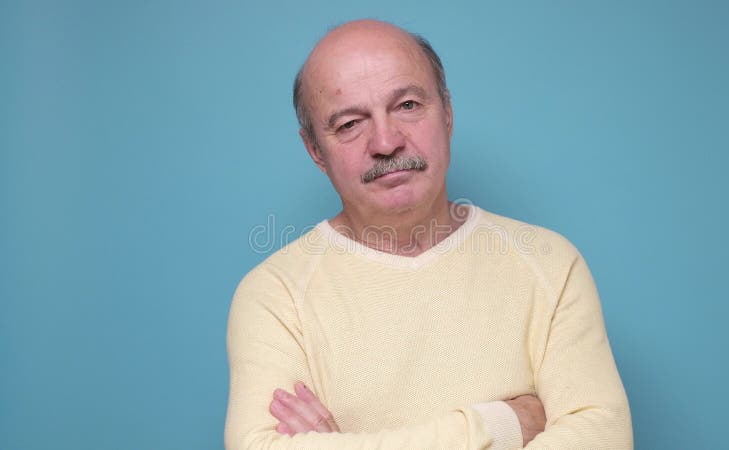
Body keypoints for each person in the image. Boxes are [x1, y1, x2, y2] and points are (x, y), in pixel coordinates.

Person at [225, 19, 633, 449]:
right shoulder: (274, 297)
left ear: (448, 114)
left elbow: (603, 437)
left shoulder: (549, 264)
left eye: (407, 106)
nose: (385, 142)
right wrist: (499, 425)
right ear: (315, 152)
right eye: (349, 124)